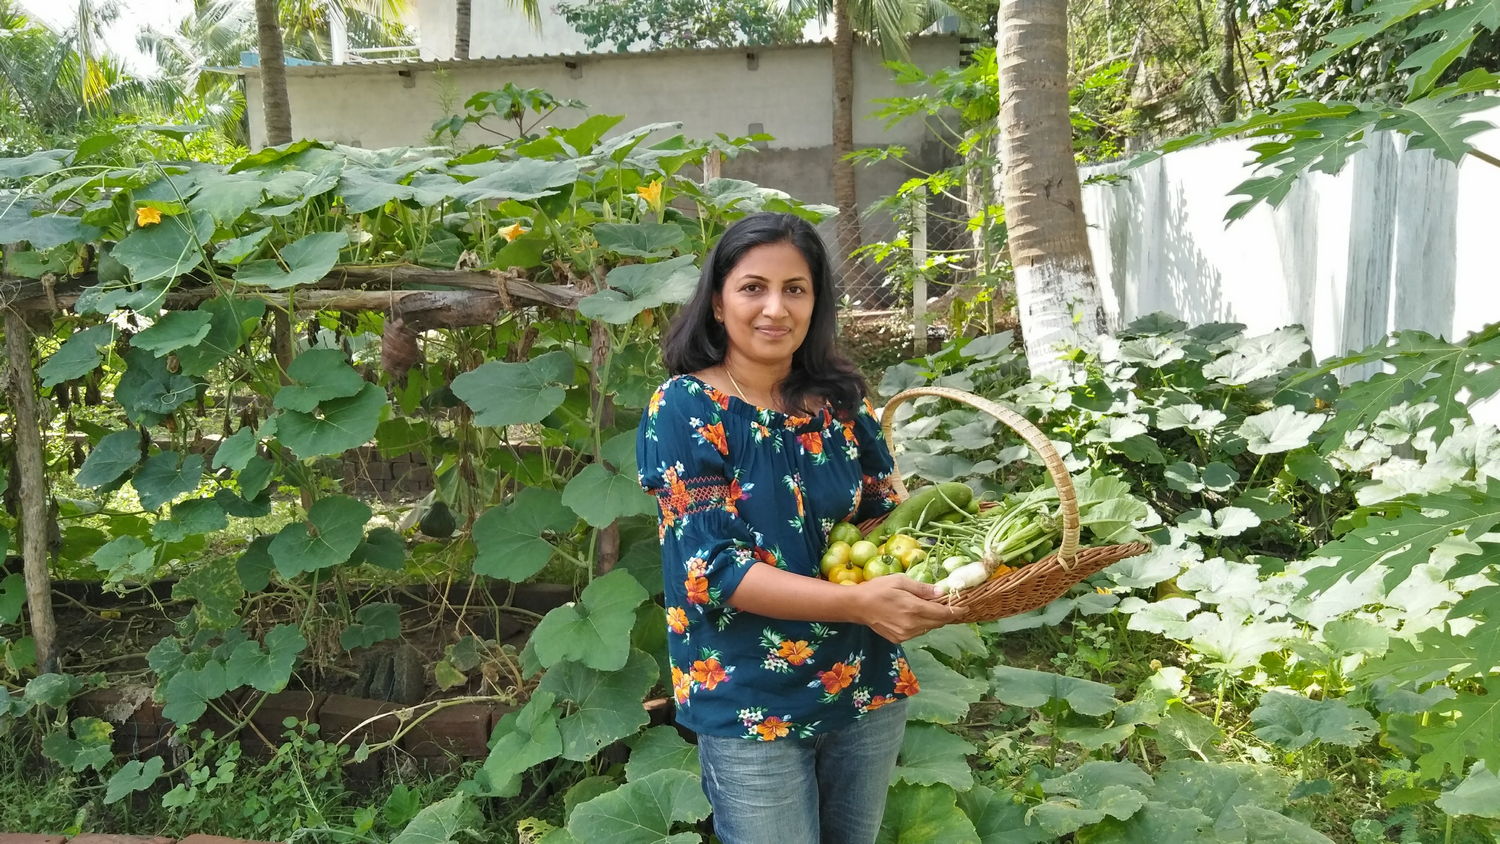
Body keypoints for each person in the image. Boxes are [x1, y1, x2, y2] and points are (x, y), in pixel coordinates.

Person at [636, 212, 960, 844]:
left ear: (816, 303)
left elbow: (878, 519)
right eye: (753, 287)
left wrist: (950, 565)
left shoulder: (840, 401)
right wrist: (859, 601)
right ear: (718, 302)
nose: (774, 308)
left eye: (795, 289)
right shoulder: (684, 407)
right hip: (749, 695)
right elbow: (713, 571)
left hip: (861, 680)